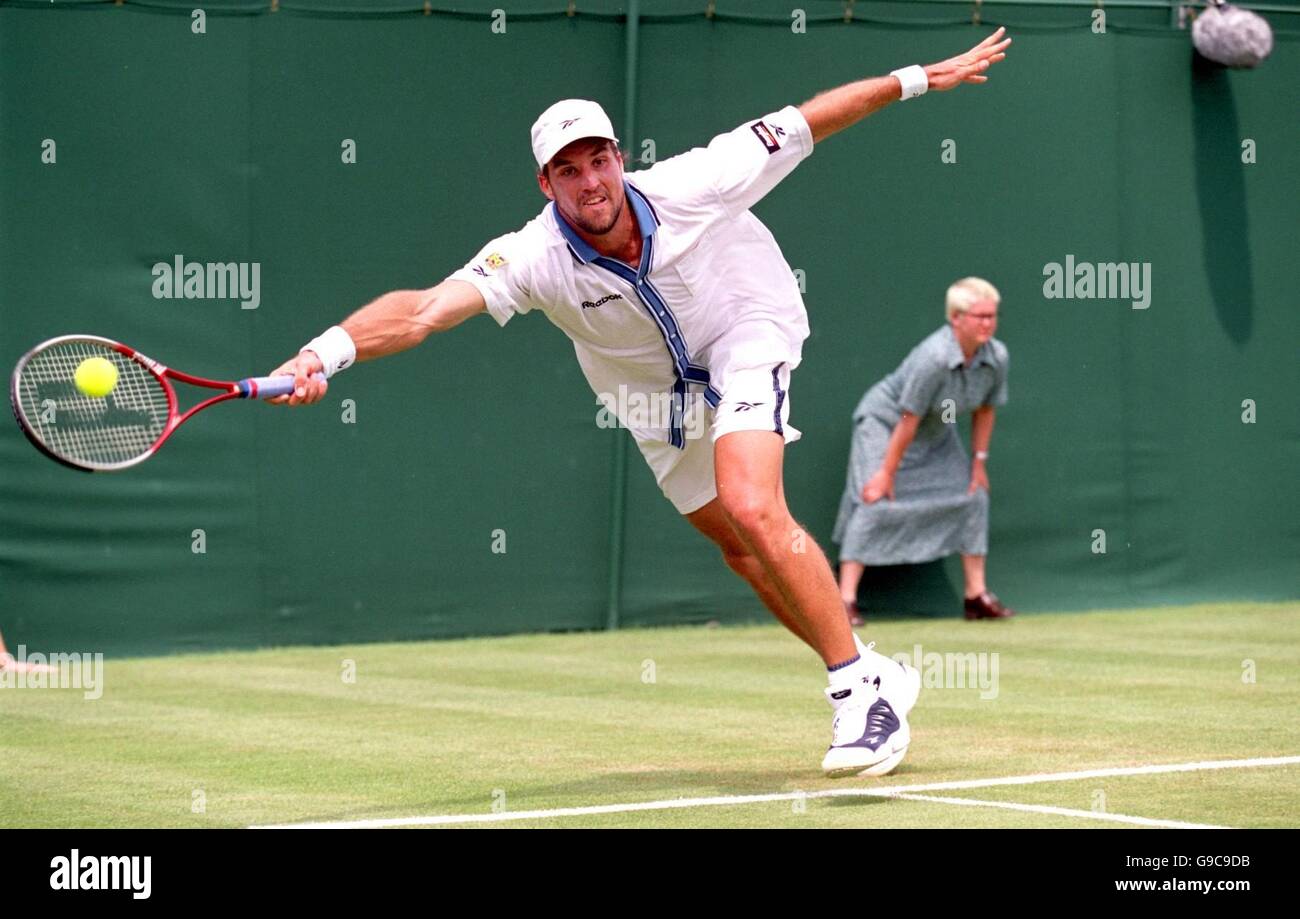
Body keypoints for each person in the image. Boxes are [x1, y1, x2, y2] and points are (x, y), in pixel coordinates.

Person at [268, 30, 1011, 777]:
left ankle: (858, 696)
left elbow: (810, 119)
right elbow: (426, 308)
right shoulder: (531, 256)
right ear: (546, 184)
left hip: (747, 328)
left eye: (599, 159)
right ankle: (870, 668)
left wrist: (916, 76)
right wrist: (324, 352)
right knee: (741, 548)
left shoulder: (700, 179)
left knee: (752, 501)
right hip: (655, 402)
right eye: (568, 169)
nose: (589, 180)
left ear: (619, 157)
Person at [833, 277, 1015, 624]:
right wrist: (886, 473)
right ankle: (844, 601)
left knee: (973, 495)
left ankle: (976, 597)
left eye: (992, 316)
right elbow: (907, 418)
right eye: (979, 316)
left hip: (933, 431)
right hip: (886, 425)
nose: (988, 323)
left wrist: (979, 462)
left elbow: (986, 410)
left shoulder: (997, 356)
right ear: (956, 318)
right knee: (872, 499)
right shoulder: (932, 357)